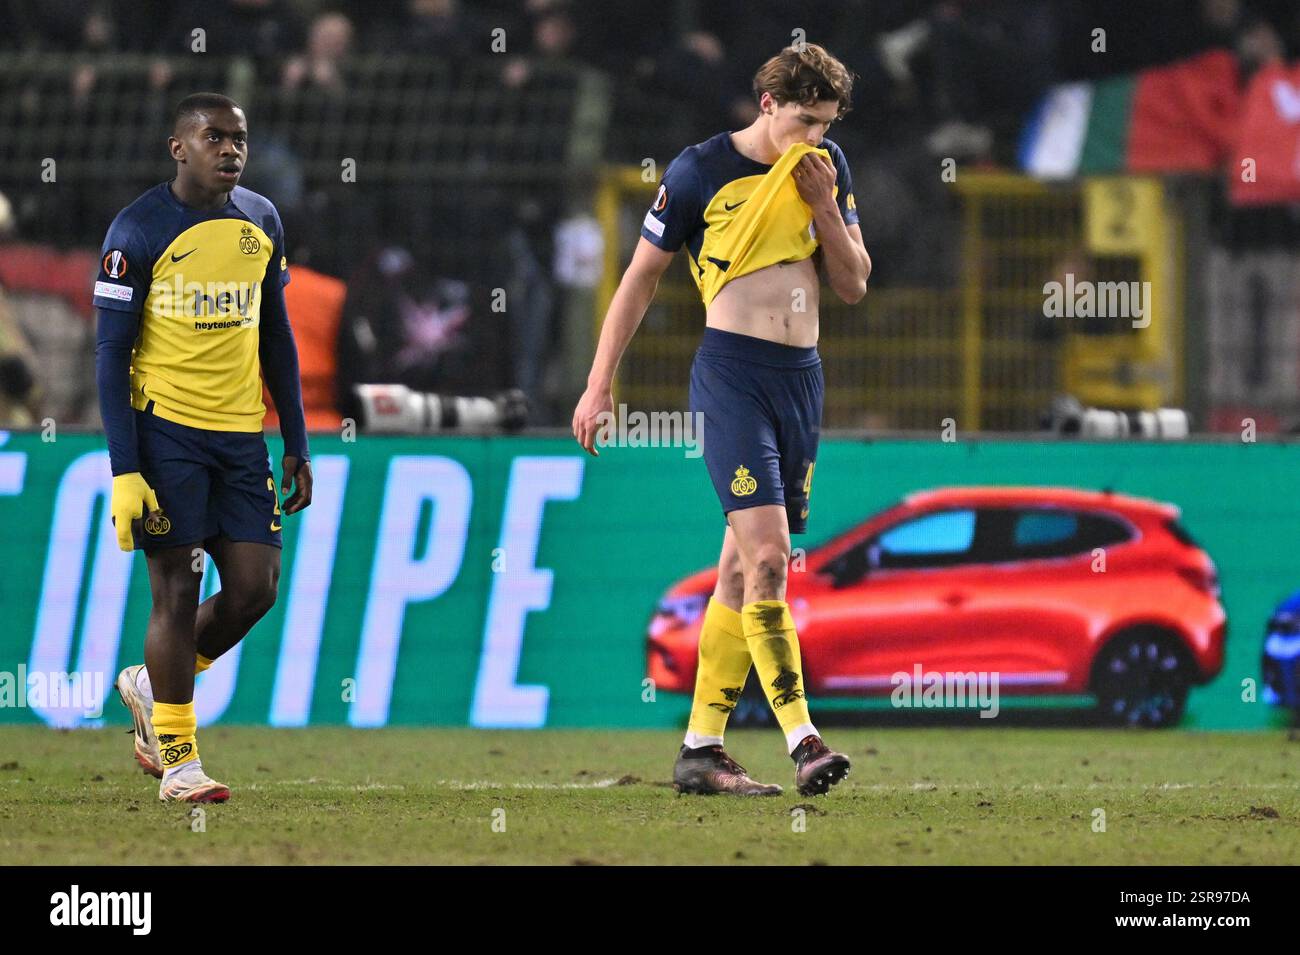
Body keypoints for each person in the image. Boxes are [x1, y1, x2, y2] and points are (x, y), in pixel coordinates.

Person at [572, 44, 871, 796]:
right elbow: (640, 279)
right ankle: (803, 739)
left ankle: (702, 750)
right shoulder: (699, 170)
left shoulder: (826, 166)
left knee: (741, 570)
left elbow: (854, 283)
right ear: (767, 105)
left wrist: (826, 207)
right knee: (770, 557)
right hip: (732, 378)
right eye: (804, 120)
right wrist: (598, 384)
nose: (814, 136)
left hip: (800, 382)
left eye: (826, 123)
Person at [94, 92, 313, 803]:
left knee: (256, 588)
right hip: (165, 435)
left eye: (239, 138)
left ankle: (149, 684)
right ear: (178, 147)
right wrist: (126, 471)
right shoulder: (138, 230)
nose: (230, 150)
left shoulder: (262, 221)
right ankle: (179, 760)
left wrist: (297, 442)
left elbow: (275, 336)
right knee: (178, 589)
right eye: (213, 137)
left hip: (241, 437)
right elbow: (108, 354)